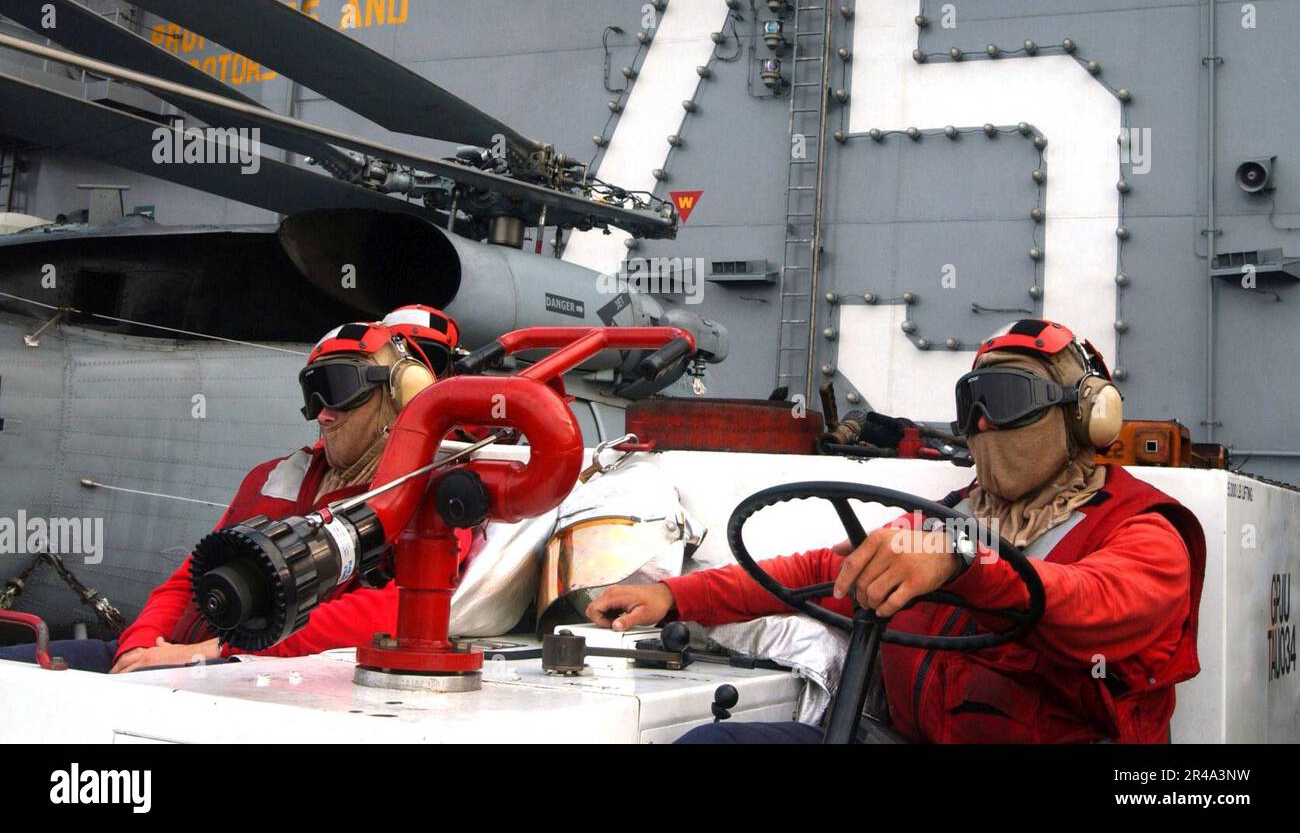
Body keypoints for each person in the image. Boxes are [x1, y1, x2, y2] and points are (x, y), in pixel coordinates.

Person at [587, 318, 1207, 744]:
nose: (984, 424)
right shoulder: (953, 516)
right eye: (972, 404)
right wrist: (677, 596)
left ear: (1085, 416)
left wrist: (965, 562)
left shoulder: (1143, 533)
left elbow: (1096, 600)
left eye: (1009, 398)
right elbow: (824, 573)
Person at [0, 317, 468, 674]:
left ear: (398, 396)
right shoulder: (274, 477)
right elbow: (191, 574)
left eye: (339, 391)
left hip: (252, 674)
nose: (321, 415)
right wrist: (139, 646)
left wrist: (210, 654)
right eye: (313, 395)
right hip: (166, 659)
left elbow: (390, 611)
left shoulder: (437, 499)